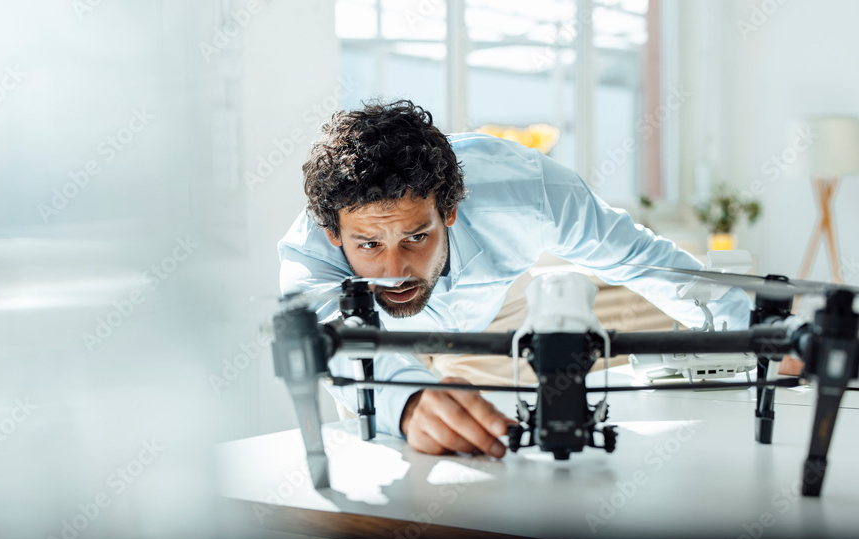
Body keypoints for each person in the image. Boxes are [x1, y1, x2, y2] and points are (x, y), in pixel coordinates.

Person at [277, 100, 751, 459]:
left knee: (513, 445)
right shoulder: (308, 253)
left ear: (450, 210)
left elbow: (644, 260)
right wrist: (408, 402)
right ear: (333, 234)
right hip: (378, 335)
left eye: (416, 236)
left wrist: (754, 334)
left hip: (492, 313)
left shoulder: (527, 191)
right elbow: (337, 345)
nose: (395, 270)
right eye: (369, 245)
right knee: (388, 441)